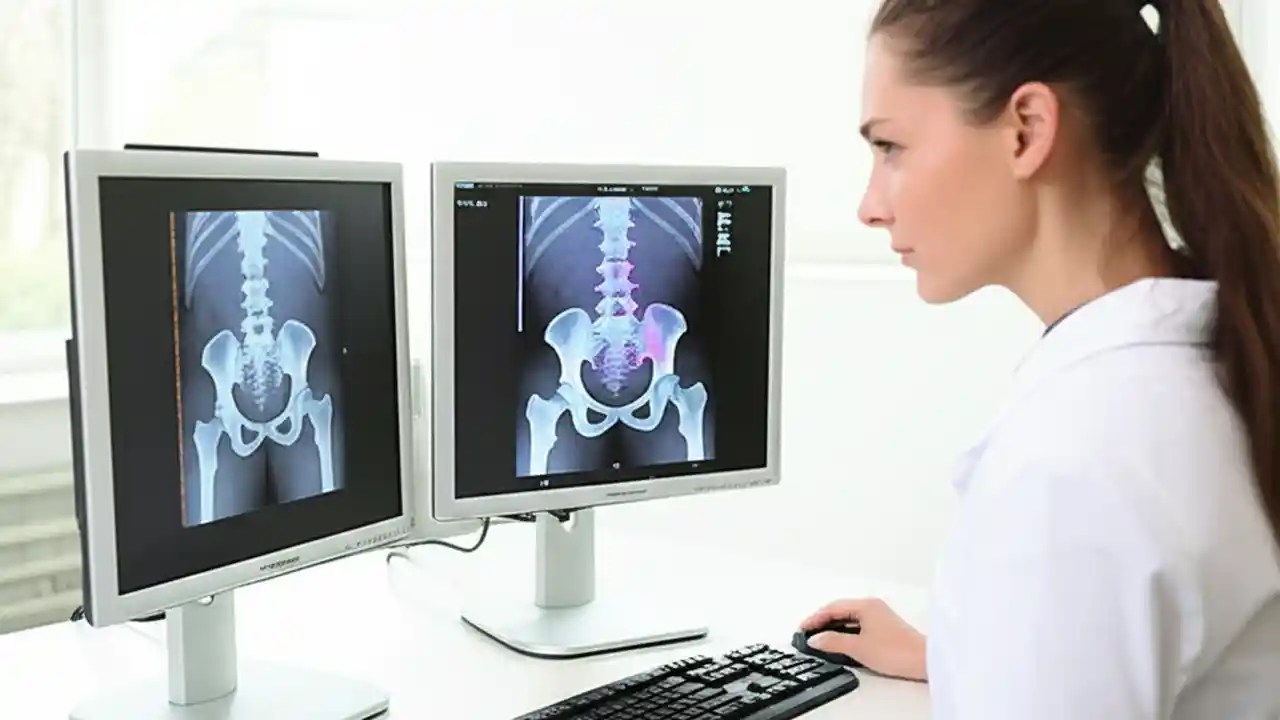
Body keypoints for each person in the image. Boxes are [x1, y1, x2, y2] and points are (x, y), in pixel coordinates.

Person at [799, 0, 1280, 717]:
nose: (870, 206)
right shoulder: (1205, 359)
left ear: (1026, 129)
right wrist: (962, 650)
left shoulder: (1078, 459)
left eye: (890, 147)